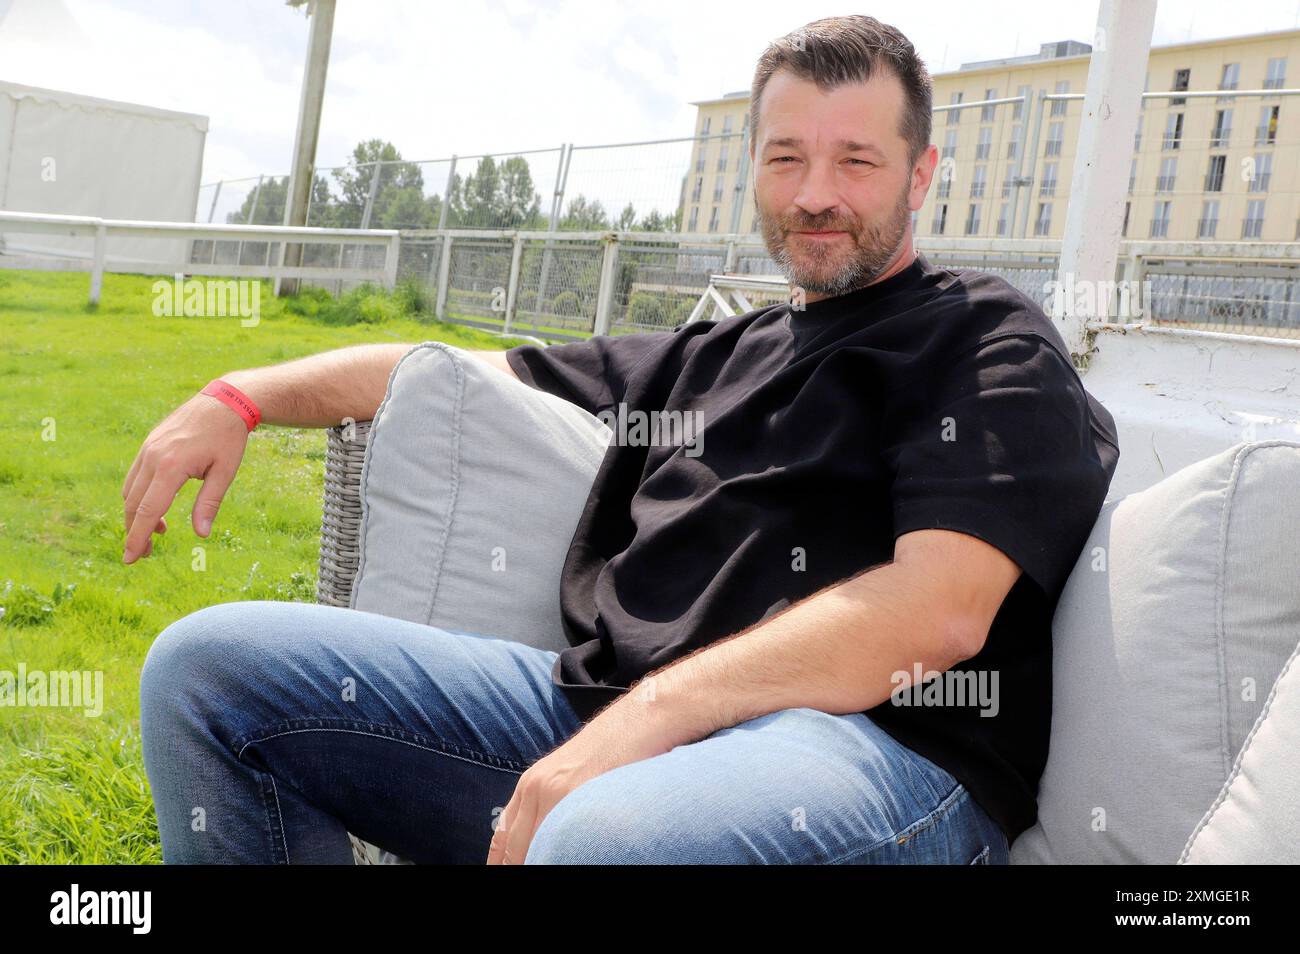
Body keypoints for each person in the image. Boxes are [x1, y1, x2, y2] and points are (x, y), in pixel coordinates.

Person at [131, 14, 1119, 864]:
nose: (816, 192)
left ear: (921, 173)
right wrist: (241, 394)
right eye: (786, 157)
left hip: (871, 754)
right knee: (208, 671)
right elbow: (446, 368)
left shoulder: (983, 335)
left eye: (855, 160)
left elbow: (936, 611)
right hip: (602, 715)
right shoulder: (700, 355)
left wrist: (649, 722)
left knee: (607, 837)